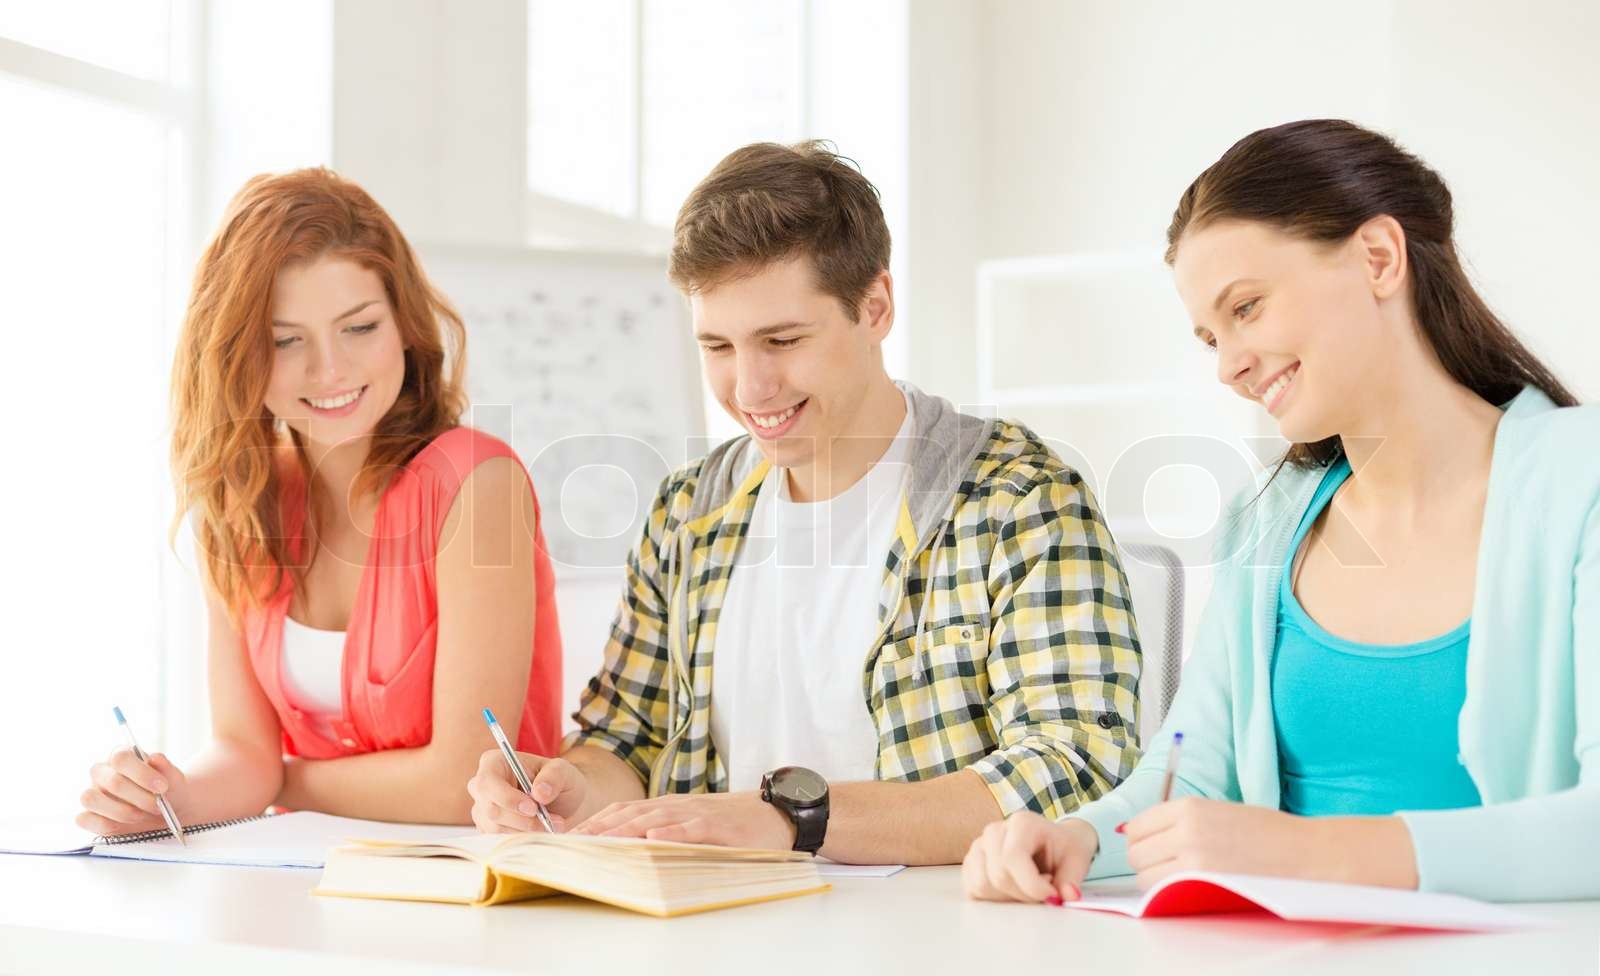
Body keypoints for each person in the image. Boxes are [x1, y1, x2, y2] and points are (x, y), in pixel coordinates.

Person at [963, 119, 1600, 903]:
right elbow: (1188, 766)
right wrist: (1079, 839)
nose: (1230, 365)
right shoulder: (1266, 524)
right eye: (1209, 338)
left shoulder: (1583, 482)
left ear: (1378, 258)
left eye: (1248, 308)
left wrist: (1306, 851)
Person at [467, 141, 1143, 864]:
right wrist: (574, 785)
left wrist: (795, 820)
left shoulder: (1019, 501)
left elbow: (1076, 766)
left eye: (781, 340)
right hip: (719, 926)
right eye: (718, 347)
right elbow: (628, 738)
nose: (750, 388)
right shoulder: (688, 512)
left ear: (875, 306)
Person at [76, 169, 563, 835]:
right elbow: (244, 749)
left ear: (404, 327)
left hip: (478, 894)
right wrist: (168, 798)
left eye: (358, 327)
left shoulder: (478, 485)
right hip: (309, 892)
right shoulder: (242, 500)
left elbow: (464, 784)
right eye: (284, 340)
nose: (328, 370)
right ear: (236, 353)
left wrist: (282, 780)